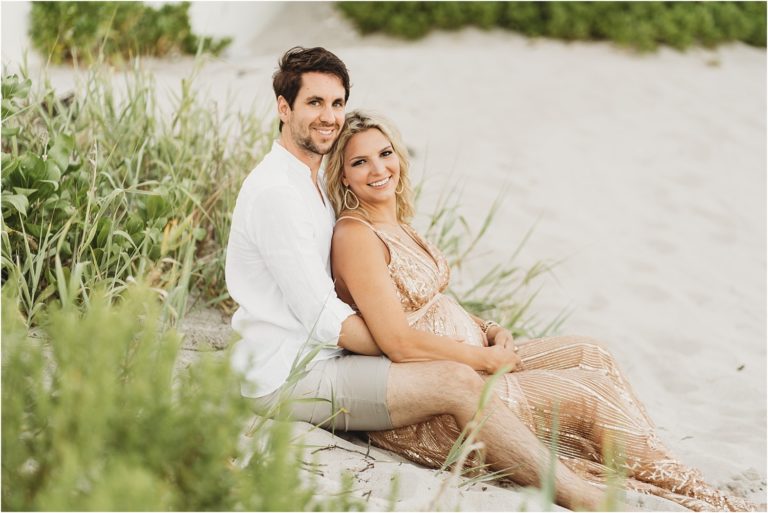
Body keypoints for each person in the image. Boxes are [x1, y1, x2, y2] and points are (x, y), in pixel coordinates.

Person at [225, 46, 613, 511]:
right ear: (284, 108)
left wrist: (445, 336)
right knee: (456, 381)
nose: (329, 116)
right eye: (314, 103)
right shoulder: (276, 194)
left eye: (336, 102)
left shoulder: (311, 183)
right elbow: (329, 322)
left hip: (331, 358)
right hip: (288, 375)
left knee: (555, 356)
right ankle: (583, 498)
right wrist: (421, 346)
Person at [323, 109, 756, 512]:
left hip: (472, 359)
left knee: (591, 353)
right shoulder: (355, 235)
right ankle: (701, 496)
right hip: (439, 402)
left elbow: (429, 302)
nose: (379, 170)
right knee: (591, 395)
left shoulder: (393, 221)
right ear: (342, 174)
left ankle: (660, 469)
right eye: (360, 162)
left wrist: (487, 328)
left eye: (384, 154)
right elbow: (396, 340)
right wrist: (483, 358)